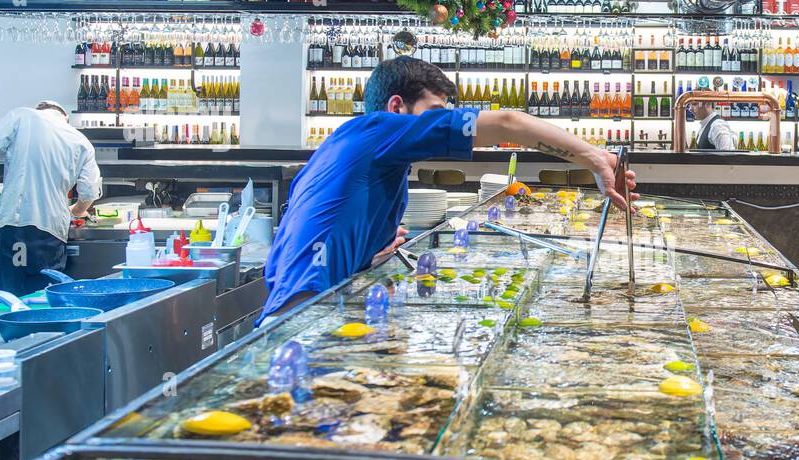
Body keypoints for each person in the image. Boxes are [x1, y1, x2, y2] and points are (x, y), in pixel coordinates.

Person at [259, 56, 636, 324]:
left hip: (309, 309)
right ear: (397, 105)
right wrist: (593, 159)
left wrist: (364, 260)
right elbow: (508, 123)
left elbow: (316, 233)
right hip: (300, 320)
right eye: (436, 110)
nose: (443, 120)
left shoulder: (356, 144)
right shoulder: (379, 129)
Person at [0, 102, 101, 308]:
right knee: (41, 303)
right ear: (65, 117)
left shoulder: (21, 116)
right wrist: (75, 211)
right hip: (51, 236)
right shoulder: (80, 140)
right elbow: (89, 192)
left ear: (40, 109)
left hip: (12, 226)